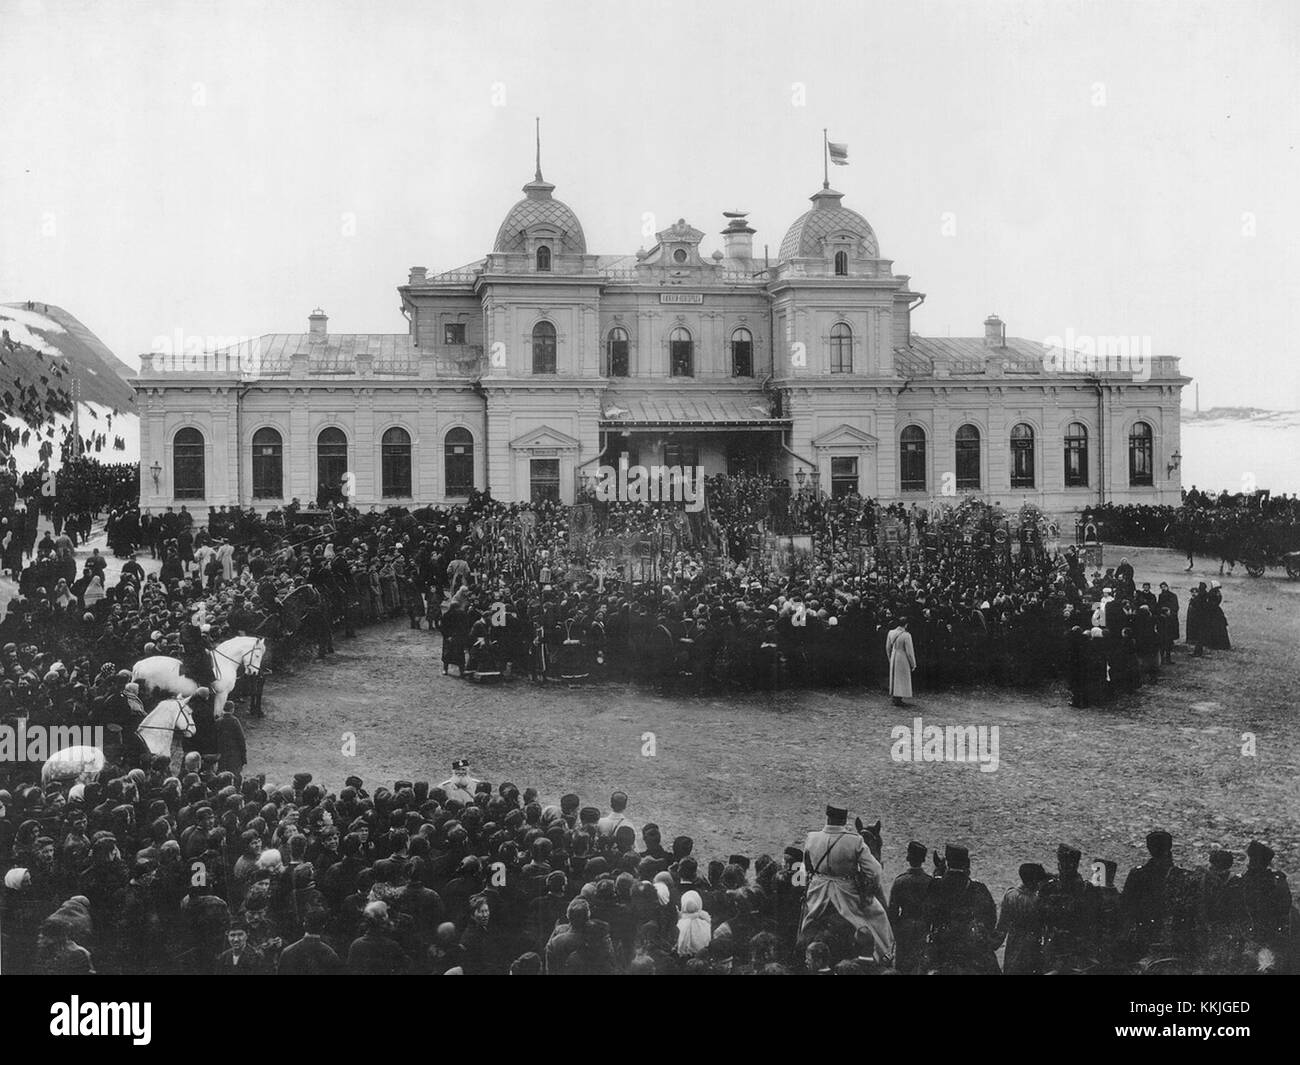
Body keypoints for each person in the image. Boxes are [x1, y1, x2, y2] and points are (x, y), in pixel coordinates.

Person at [797, 803, 895, 965]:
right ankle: (884, 954)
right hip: (847, 894)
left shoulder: (811, 837)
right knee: (879, 916)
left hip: (817, 891)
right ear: (844, 820)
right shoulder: (854, 841)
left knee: (805, 919)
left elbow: (804, 870)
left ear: (827, 817)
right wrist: (869, 889)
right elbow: (875, 871)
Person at [885, 840, 931, 974]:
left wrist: (895, 928)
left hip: (904, 927)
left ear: (908, 858)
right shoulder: (930, 882)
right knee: (919, 963)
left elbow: (892, 911)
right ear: (923, 860)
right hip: (923, 927)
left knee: (902, 964)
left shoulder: (900, 881)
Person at [885, 617, 915, 708]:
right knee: (901, 677)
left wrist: (890, 657)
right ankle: (899, 697)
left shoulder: (891, 632)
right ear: (906, 624)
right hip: (902, 657)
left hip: (894, 655)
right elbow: (909, 652)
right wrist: (913, 663)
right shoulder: (906, 635)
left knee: (894, 676)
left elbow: (887, 647)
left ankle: (895, 696)